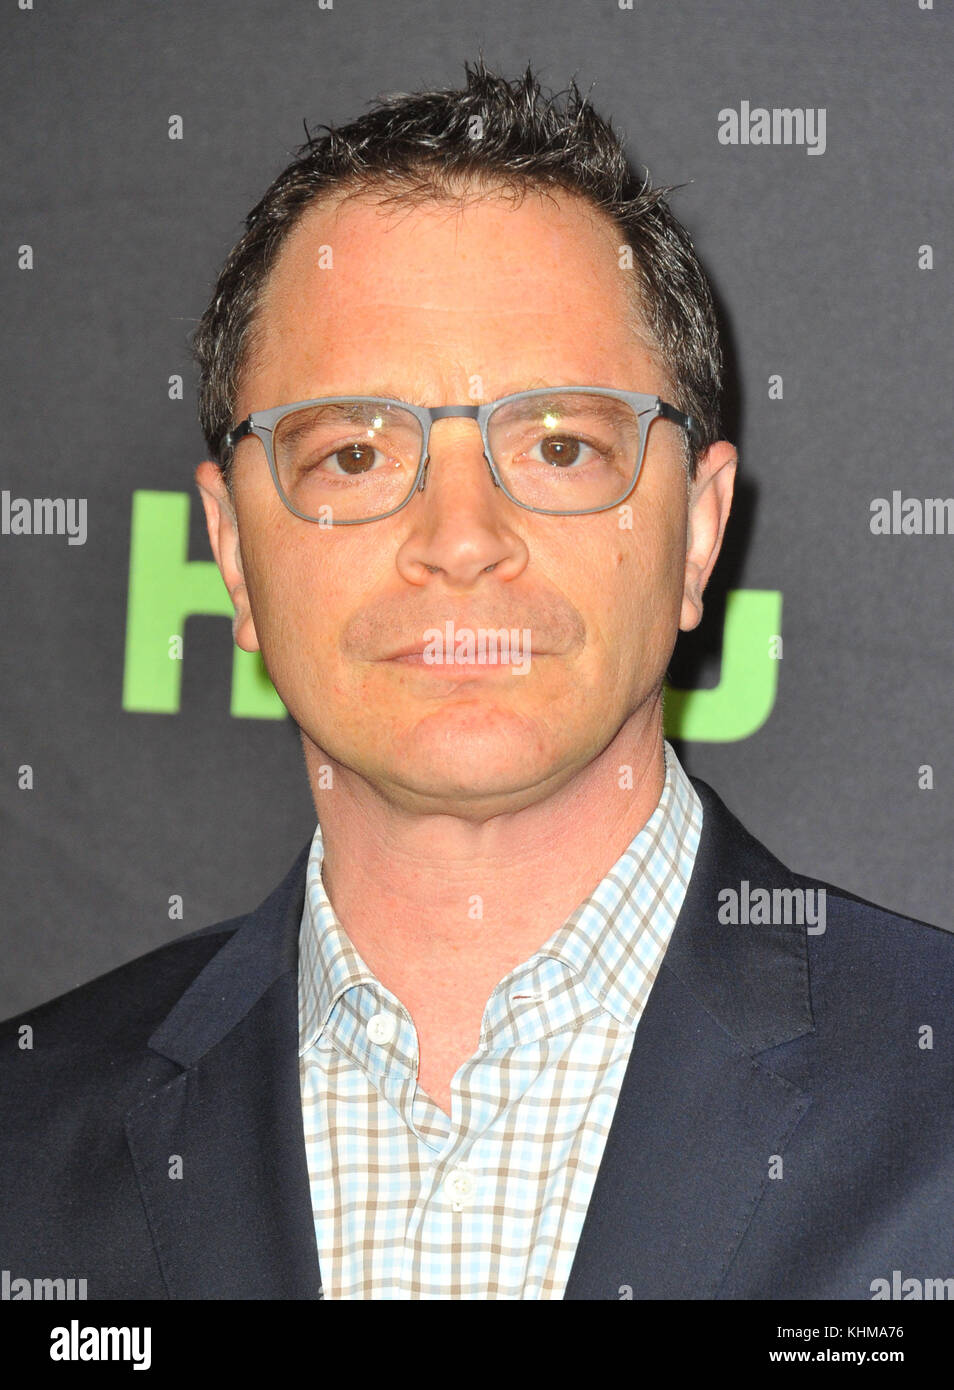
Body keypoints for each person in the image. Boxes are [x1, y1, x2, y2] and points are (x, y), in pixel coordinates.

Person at [1, 59, 952, 1302]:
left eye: (559, 445)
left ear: (700, 530)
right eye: (353, 451)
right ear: (232, 553)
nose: (459, 535)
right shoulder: (25, 1149)